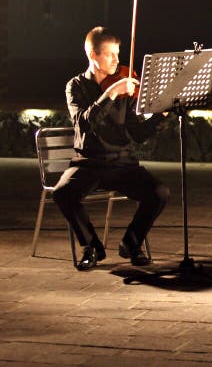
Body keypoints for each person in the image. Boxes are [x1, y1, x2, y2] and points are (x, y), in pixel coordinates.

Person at [53, 27, 170, 271]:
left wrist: (162, 114)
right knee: (63, 192)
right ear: (92, 56)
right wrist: (110, 93)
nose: (118, 60)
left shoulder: (124, 87)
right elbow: (84, 123)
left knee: (159, 192)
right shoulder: (74, 86)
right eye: (110, 55)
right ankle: (91, 247)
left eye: (118, 54)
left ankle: (131, 243)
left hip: (122, 162)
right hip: (89, 162)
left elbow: (137, 134)